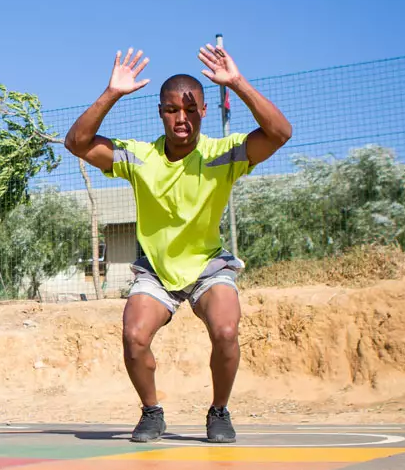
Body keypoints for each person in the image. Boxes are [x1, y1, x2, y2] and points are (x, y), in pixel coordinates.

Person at [64, 43, 292, 443]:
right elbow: (77, 143)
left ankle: (219, 411)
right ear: (160, 113)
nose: (181, 118)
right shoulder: (139, 157)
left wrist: (236, 82)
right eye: (172, 110)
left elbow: (279, 133)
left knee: (225, 331)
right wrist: (112, 93)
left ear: (204, 111)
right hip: (155, 269)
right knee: (134, 337)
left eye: (190, 109)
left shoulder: (224, 154)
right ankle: (152, 413)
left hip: (207, 265)